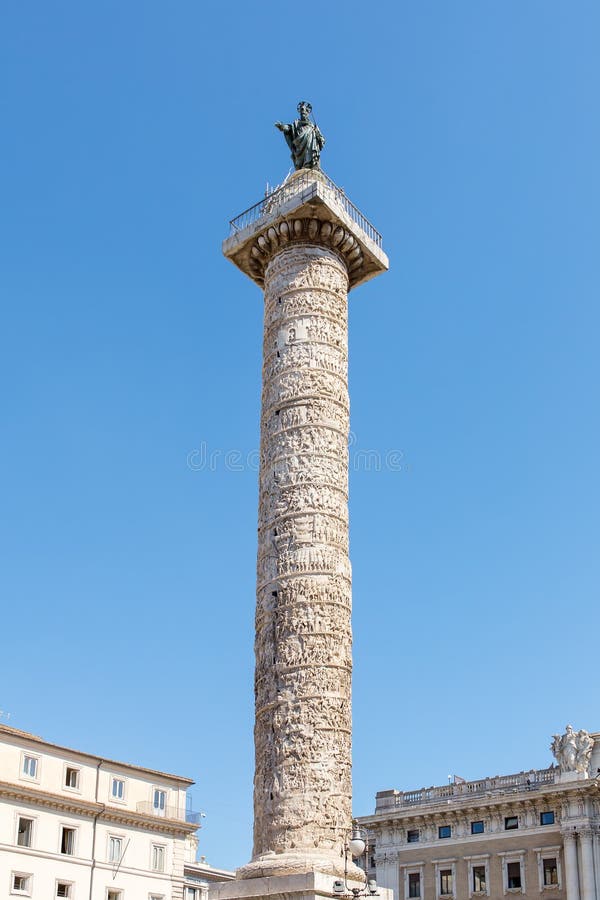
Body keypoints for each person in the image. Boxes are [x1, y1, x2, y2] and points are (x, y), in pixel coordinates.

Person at [275, 101, 325, 171]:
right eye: (302, 111)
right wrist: (282, 127)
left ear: (308, 113)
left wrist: (316, 133)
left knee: (309, 154)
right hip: (299, 148)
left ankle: (309, 164)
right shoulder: (296, 124)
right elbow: (289, 128)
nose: (303, 113)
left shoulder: (313, 127)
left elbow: (322, 141)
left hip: (310, 147)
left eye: (305, 111)